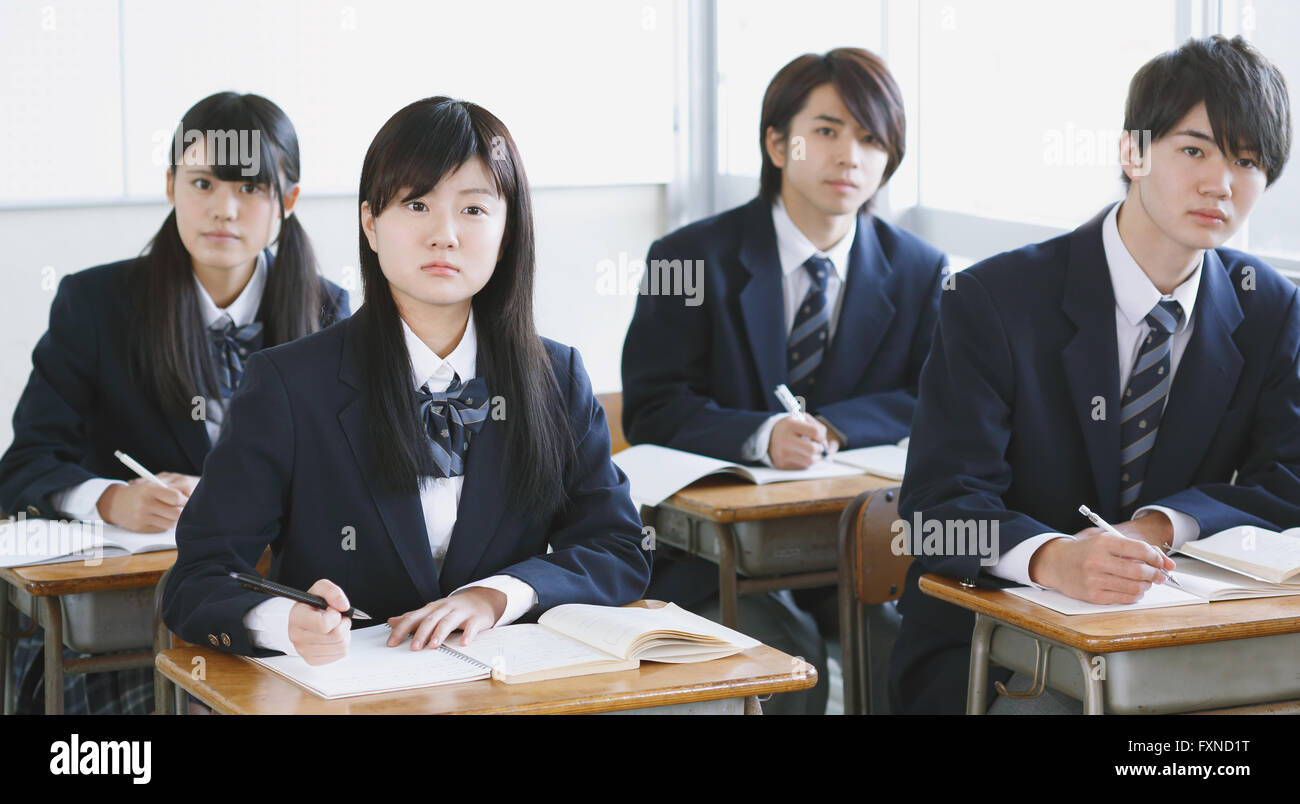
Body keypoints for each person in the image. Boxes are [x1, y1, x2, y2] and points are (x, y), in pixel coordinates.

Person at [890, 35, 1300, 714]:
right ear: (1132, 152)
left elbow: (1289, 480)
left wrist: (1165, 525)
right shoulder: (993, 299)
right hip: (995, 647)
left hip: (1178, 644)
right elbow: (934, 510)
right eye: (1194, 150)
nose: (1220, 184)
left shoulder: (1270, 308)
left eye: (1247, 160)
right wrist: (1051, 556)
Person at [162, 97, 651, 666]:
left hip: (509, 694)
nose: (444, 235)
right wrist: (284, 621)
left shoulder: (557, 377)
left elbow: (616, 548)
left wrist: (499, 595)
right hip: (343, 698)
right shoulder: (288, 384)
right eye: (416, 204)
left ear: (508, 229)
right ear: (371, 223)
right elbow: (197, 578)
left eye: (473, 210)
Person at [621, 48, 948, 712]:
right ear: (777, 142)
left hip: (861, 542)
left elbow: (937, 396)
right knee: (789, 665)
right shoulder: (685, 257)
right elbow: (652, 406)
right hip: (717, 555)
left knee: (907, 652)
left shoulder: (921, 268)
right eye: (827, 131)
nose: (850, 156)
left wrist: (836, 427)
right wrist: (761, 434)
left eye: (871, 138)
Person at [0, 91, 349, 713]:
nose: (223, 209)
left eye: (250, 189)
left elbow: (351, 477)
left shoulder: (328, 314)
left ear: (288, 202)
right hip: (121, 625)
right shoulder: (95, 305)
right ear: (170, 186)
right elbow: (26, 463)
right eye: (204, 182)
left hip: (281, 614)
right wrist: (110, 499)